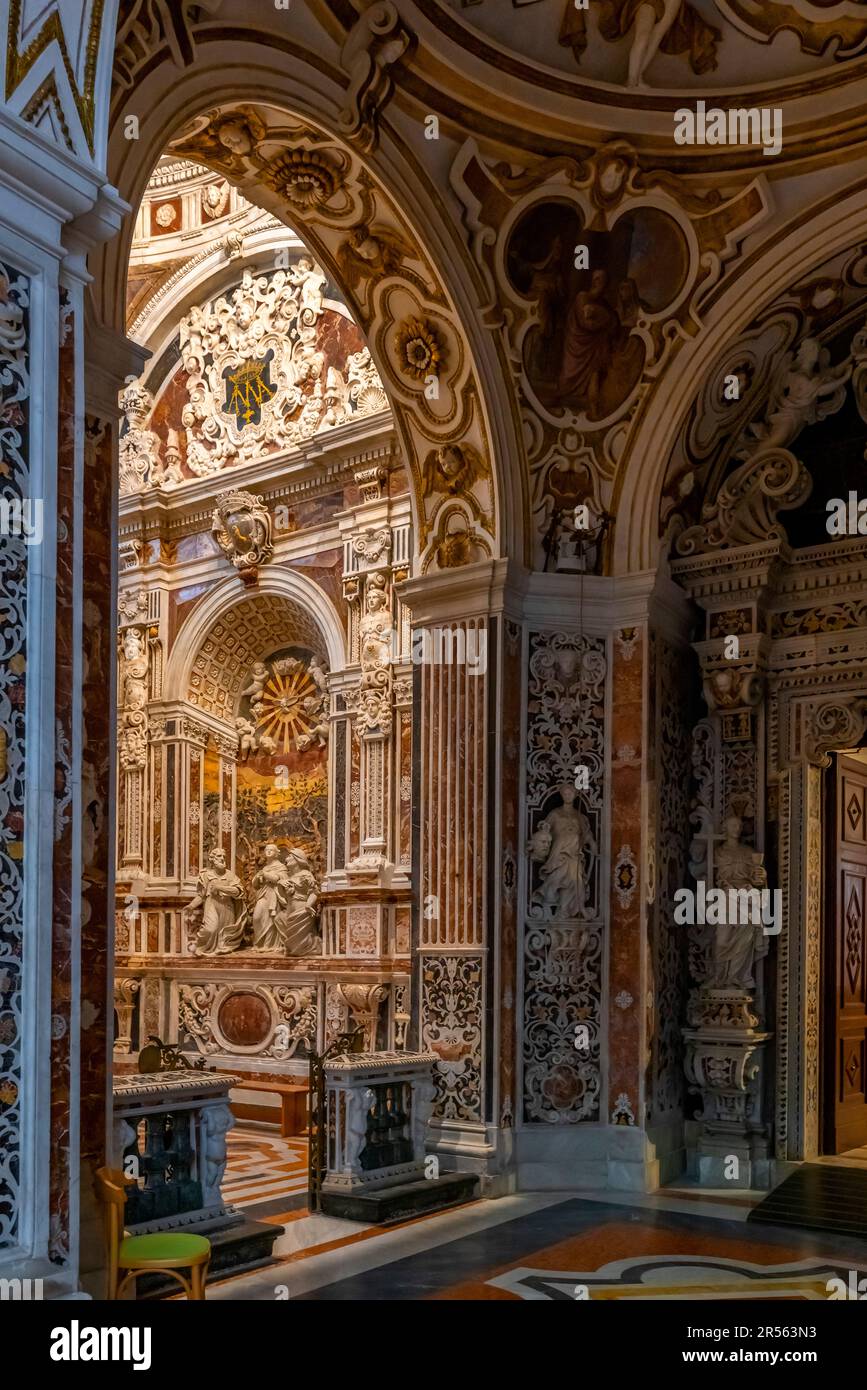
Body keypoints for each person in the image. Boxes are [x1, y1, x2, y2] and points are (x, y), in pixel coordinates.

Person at [184, 847, 246, 954]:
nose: (222, 859)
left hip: (227, 907)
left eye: (223, 856)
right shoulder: (206, 875)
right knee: (210, 928)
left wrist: (220, 888)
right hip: (212, 905)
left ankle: (220, 950)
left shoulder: (230, 875)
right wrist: (191, 906)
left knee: (224, 935)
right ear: (212, 859)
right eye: (219, 856)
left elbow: (238, 891)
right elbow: (201, 896)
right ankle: (201, 946)